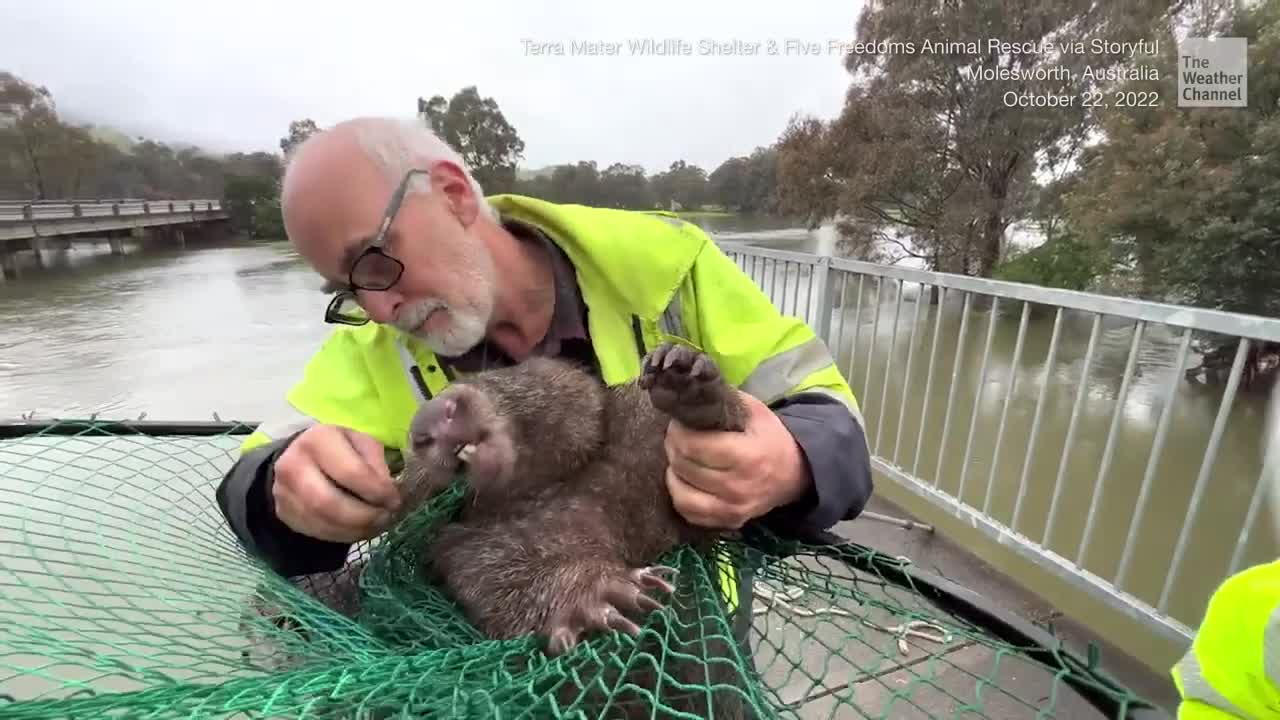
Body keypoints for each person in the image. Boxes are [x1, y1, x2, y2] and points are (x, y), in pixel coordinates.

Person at [215, 116, 873, 620]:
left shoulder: (663, 265)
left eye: (375, 260)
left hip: (694, 609)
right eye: (348, 289)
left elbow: (826, 411)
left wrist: (793, 460)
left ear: (450, 194)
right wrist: (284, 490)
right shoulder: (370, 351)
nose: (380, 305)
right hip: (501, 639)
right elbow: (251, 484)